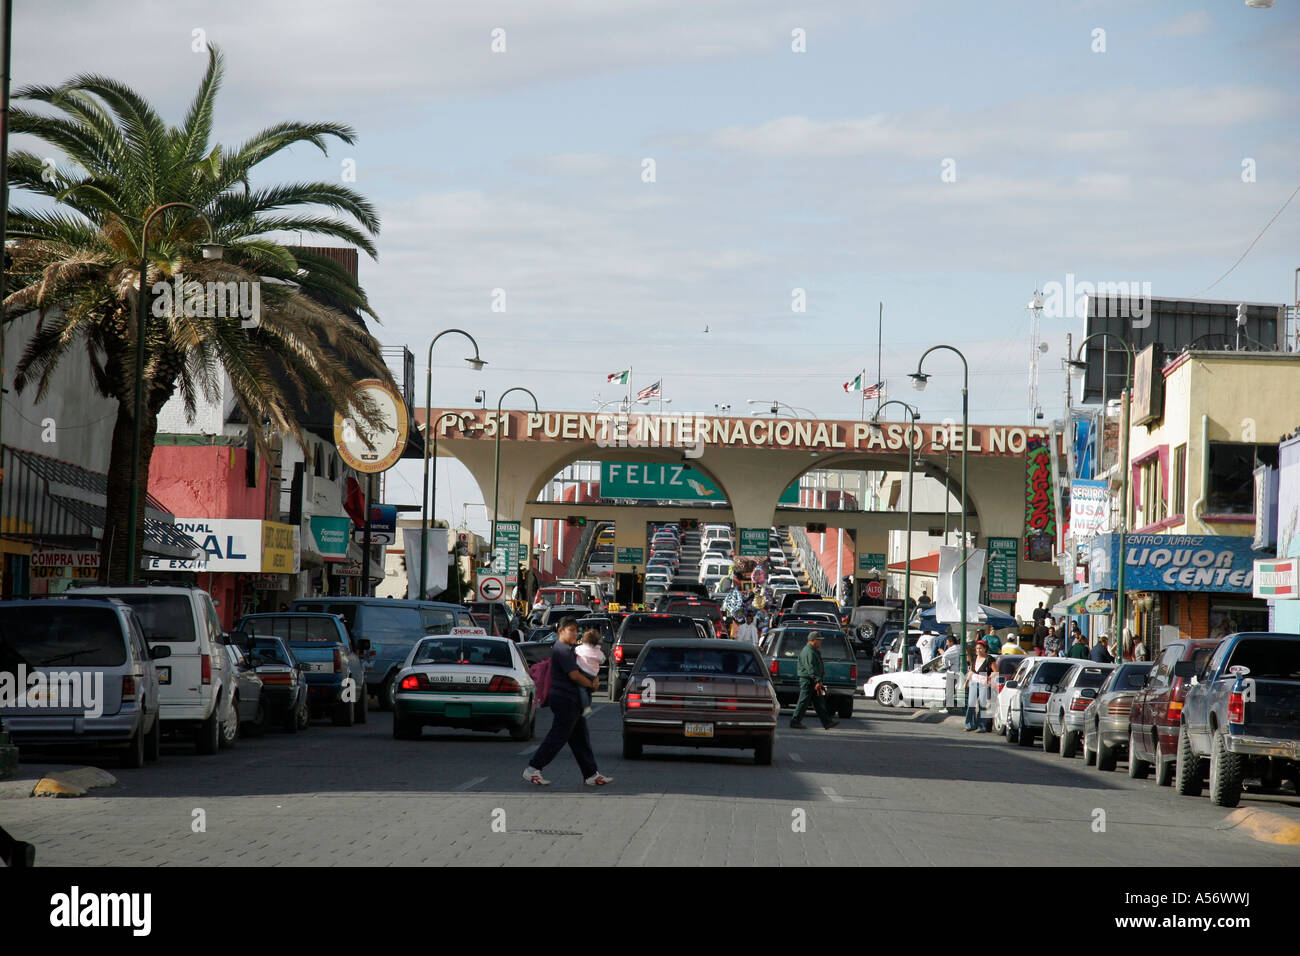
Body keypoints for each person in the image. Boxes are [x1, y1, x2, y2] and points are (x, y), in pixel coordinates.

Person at [522, 618, 613, 787]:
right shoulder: (562, 650)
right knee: (558, 736)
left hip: (571, 699)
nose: (575, 634)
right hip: (565, 699)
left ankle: (590, 774)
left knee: (580, 738)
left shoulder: (570, 649)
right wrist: (591, 684)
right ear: (560, 631)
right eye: (571, 630)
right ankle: (533, 768)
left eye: (576, 630)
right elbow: (574, 675)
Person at [790, 632, 839, 730]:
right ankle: (795, 721)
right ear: (812, 640)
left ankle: (827, 722)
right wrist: (818, 680)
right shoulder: (809, 652)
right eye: (819, 640)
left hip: (812, 680)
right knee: (803, 701)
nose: (821, 642)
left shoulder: (813, 651)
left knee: (819, 702)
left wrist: (818, 680)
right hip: (808, 680)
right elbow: (811, 668)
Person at [963, 640, 994, 732]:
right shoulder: (974, 658)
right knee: (971, 704)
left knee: (982, 705)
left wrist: (988, 679)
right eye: (977, 648)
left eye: (980, 648)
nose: (979, 650)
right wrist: (966, 682)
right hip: (974, 682)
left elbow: (995, 672)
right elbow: (971, 670)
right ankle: (969, 725)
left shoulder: (989, 659)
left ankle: (981, 726)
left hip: (983, 683)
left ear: (985, 649)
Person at [574, 629, 605, 718]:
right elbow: (602, 660)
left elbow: (575, 652)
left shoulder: (580, 648)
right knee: (589, 690)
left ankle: (586, 707)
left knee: (581, 688)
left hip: (583, 671)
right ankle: (588, 705)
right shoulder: (598, 651)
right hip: (593, 674)